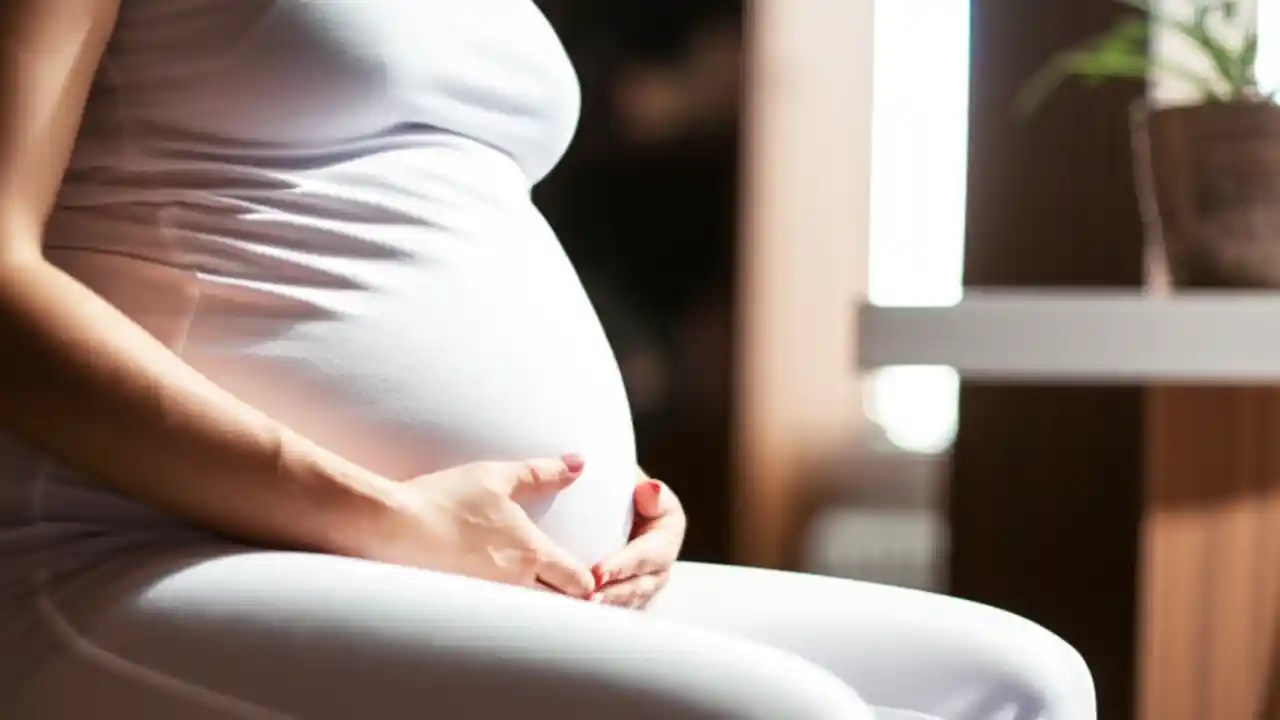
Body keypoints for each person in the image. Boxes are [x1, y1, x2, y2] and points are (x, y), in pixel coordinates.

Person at [0, 1, 1095, 718]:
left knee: (1017, 685)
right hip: (142, 549)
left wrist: (615, 503)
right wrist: (373, 510)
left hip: (481, 569)